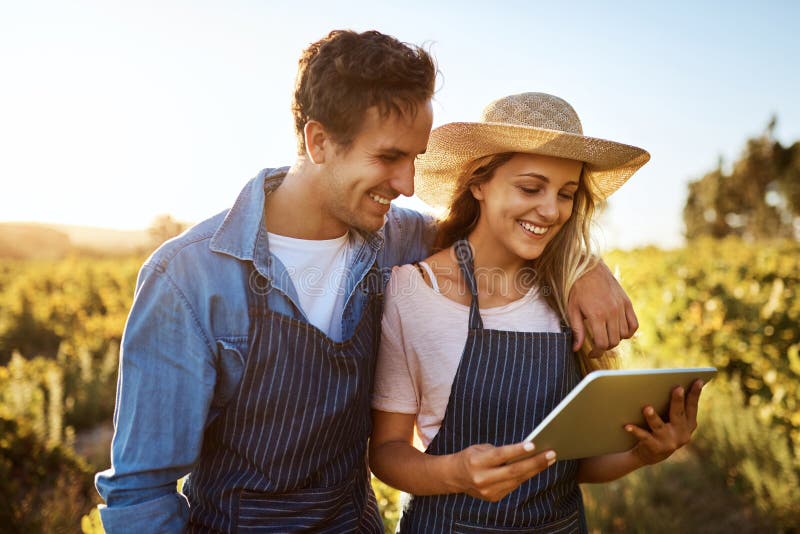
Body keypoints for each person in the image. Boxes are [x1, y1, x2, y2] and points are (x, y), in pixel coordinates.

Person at [94, 30, 640, 532]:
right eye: (388, 158)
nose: (407, 184)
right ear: (319, 141)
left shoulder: (398, 240)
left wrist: (583, 267)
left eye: (416, 159)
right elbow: (142, 493)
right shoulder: (190, 279)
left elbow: (497, 234)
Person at [369, 92, 705, 533]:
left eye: (566, 194)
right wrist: (455, 473)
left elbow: (569, 464)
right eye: (531, 187)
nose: (550, 211)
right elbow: (388, 452)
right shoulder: (414, 291)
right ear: (478, 183)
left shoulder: (569, 291)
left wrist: (643, 452)